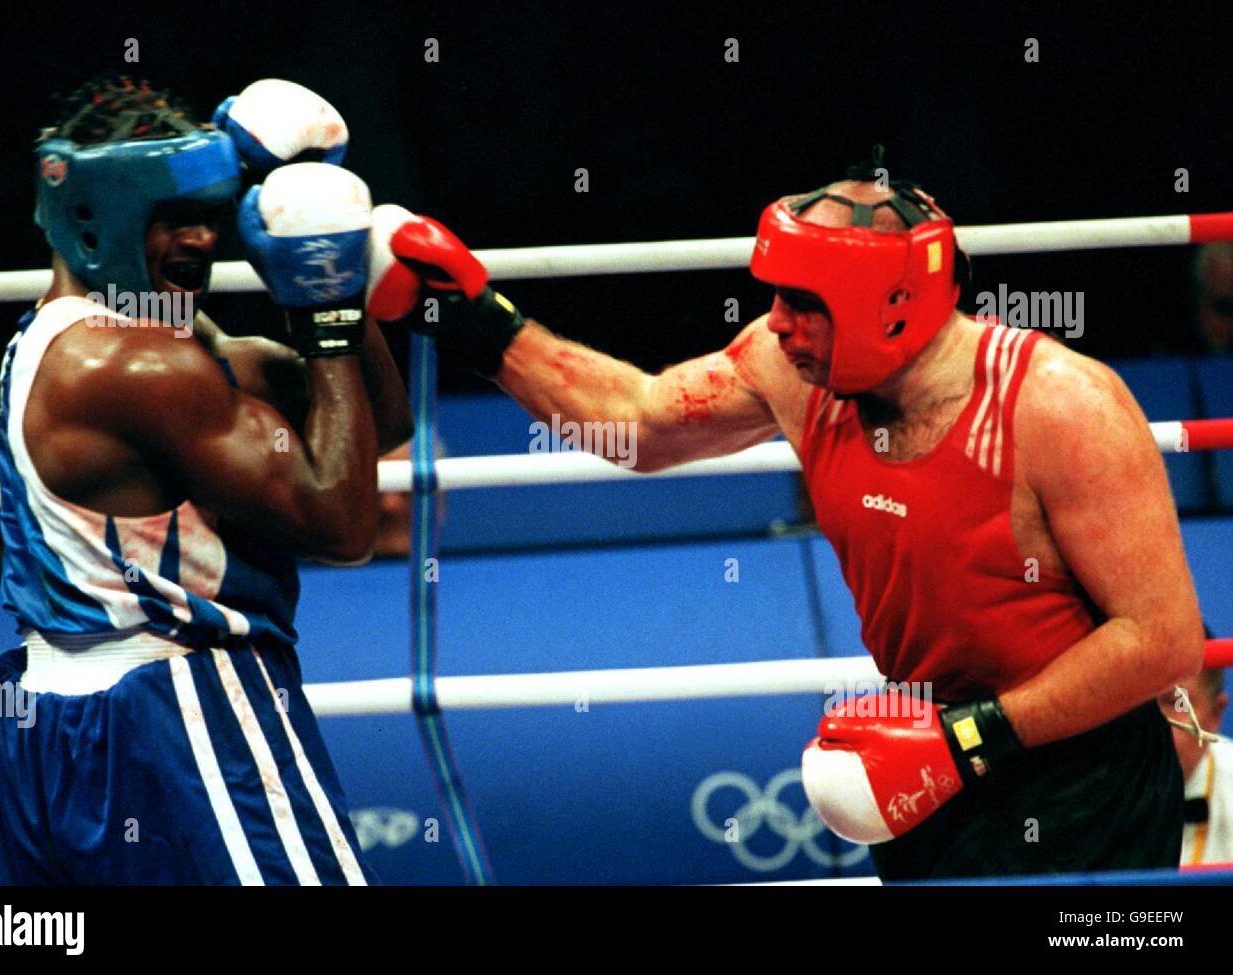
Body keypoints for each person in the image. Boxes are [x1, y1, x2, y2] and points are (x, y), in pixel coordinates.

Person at [363, 150, 1206, 879]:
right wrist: (472, 318)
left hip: (1078, 765)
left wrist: (969, 741)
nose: (776, 323)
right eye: (777, 297)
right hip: (921, 743)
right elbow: (638, 420)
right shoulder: (795, 366)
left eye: (805, 301)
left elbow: (1160, 637)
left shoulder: (1062, 405)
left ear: (892, 304)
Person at [0, 76, 411, 885]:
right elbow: (344, 522)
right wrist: (325, 307)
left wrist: (311, 252)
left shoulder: (69, 340)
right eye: (173, 219)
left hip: (53, 729)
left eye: (210, 216)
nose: (204, 242)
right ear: (100, 216)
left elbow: (369, 426)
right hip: (183, 708)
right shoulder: (135, 366)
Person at [1159, 657, 1233, 865]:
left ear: (1214, 715)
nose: (1152, 726)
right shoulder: (1082, 786)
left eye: (1176, 703)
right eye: (1137, 703)